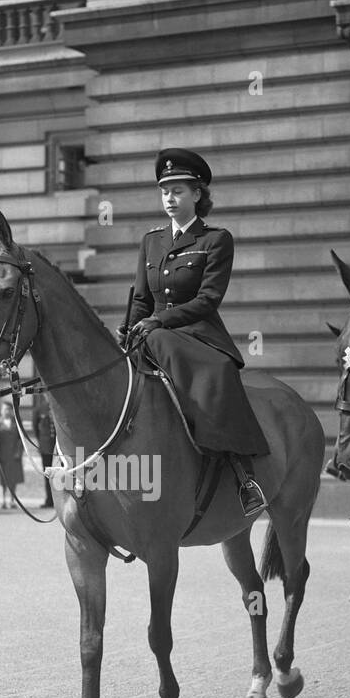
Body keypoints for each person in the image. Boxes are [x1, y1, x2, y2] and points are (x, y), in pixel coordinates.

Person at [121, 148, 269, 516]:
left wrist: (158, 322)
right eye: (164, 192)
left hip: (197, 332)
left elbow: (208, 300)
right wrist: (127, 331)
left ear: (198, 195)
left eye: (178, 191)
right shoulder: (150, 240)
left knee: (217, 374)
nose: (169, 199)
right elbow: (141, 298)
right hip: (150, 333)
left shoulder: (216, 240)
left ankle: (242, 473)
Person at [0, 406, 25, 509]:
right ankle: (2, 500)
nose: (7, 411)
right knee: (2, 479)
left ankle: (12, 500)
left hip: (14, 455)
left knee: (13, 479)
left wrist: (19, 452)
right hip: (2, 455)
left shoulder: (16, 422)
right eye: (4, 409)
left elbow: (21, 439)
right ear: (1, 411)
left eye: (8, 409)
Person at [34, 394, 57, 507]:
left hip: (58, 447)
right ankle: (49, 500)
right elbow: (35, 428)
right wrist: (40, 444)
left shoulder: (57, 406)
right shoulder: (39, 408)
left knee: (61, 474)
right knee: (48, 474)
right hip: (46, 447)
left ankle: (60, 501)